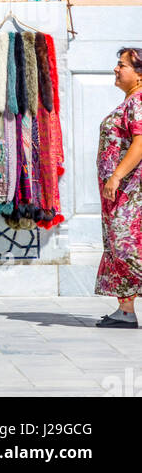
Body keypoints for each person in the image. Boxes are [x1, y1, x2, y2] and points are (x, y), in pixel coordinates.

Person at [94, 46, 142, 329]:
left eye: (122, 65)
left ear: (138, 74)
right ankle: (125, 310)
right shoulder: (129, 101)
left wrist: (116, 177)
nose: (116, 68)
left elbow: (140, 143)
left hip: (130, 191)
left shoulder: (138, 102)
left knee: (128, 248)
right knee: (119, 245)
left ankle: (126, 310)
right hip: (120, 192)